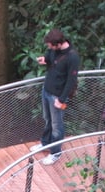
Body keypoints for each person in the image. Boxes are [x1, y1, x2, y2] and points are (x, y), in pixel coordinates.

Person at [32, 29, 79, 166]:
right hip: (46, 90)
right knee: (48, 119)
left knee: (56, 125)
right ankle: (45, 143)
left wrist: (62, 99)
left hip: (57, 96)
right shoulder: (55, 51)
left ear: (58, 44)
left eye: (51, 46)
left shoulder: (72, 57)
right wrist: (45, 59)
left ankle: (56, 152)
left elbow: (71, 80)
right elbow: (51, 57)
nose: (49, 48)